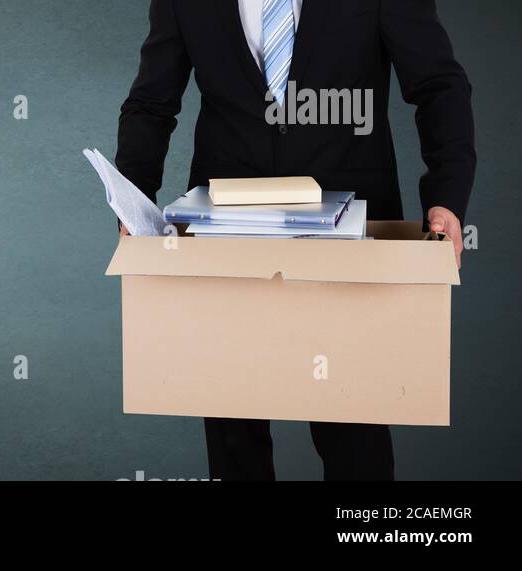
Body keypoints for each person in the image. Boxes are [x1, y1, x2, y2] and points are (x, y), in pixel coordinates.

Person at [115, 0, 474, 480]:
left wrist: (446, 197)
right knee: (232, 429)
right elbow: (152, 100)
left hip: (352, 237)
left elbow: (437, 86)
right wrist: (132, 197)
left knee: (353, 431)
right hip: (225, 233)